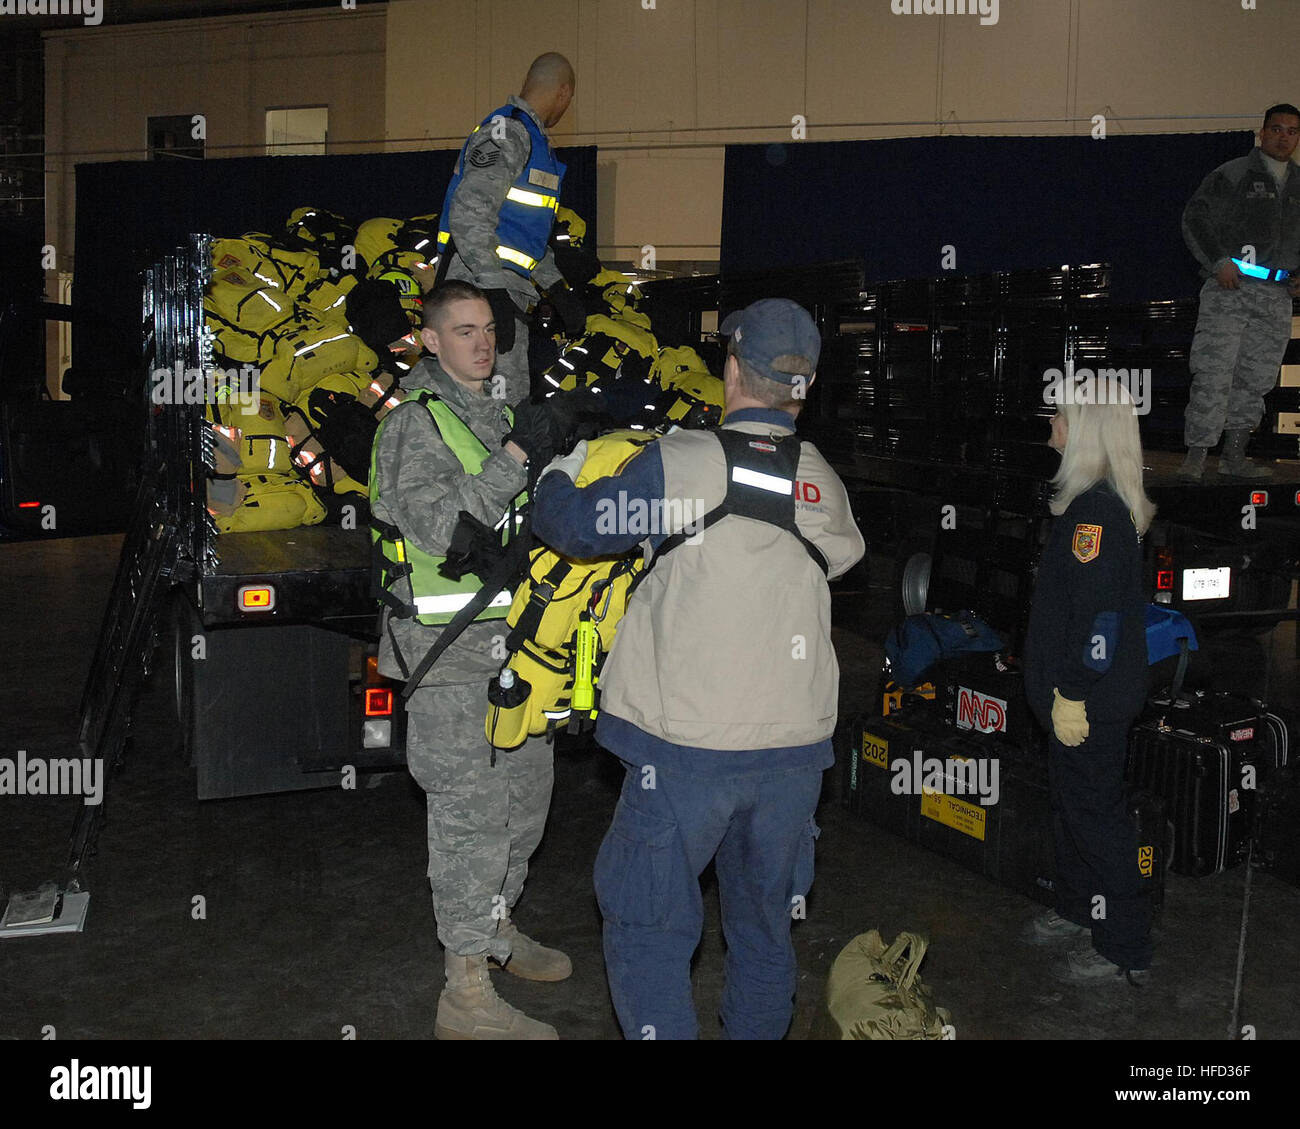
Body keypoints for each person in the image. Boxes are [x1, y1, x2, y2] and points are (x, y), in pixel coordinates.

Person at [532, 298, 866, 1039]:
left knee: (649, 926)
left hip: (684, 756)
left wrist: (555, 469)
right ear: (804, 387)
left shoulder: (680, 462)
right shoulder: (824, 481)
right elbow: (843, 554)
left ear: (734, 370)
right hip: (792, 759)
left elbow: (579, 529)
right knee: (763, 932)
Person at [369, 280, 576, 1040]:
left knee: (527, 805)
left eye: (488, 329)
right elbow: (436, 525)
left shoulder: (492, 412)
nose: (482, 343)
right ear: (429, 341)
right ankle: (462, 990)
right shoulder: (412, 426)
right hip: (448, 659)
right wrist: (520, 453)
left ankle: (496, 929)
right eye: (462, 331)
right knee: (471, 823)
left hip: (519, 650)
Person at [1022, 375, 1156, 985]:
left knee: (1097, 818)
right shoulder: (1095, 503)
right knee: (1073, 811)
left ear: (1087, 432)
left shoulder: (1094, 517)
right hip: (1073, 701)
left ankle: (1123, 944)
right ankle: (1079, 910)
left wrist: (1072, 691)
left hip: (1087, 703)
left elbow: (1099, 624)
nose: (1052, 424)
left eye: (1062, 417)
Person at [435, 52, 587, 404]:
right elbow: (469, 212)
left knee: (505, 404)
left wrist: (556, 288)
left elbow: (521, 236)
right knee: (493, 408)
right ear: (563, 93)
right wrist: (493, 293)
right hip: (477, 289)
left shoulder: (532, 140)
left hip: (496, 290)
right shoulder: (508, 132)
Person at [1179, 103, 1300, 481]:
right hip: (1230, 289)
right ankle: (1196, 457)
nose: (1284, 137)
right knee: (1214, 371)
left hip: (1276, 295)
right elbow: (1195, 218)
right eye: (1277, 129)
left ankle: (1234, 456)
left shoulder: (1299, 183)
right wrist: (1218, 262)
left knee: (1256, 377)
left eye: (1292, 131)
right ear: (1262, 133)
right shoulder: (1232, 174)